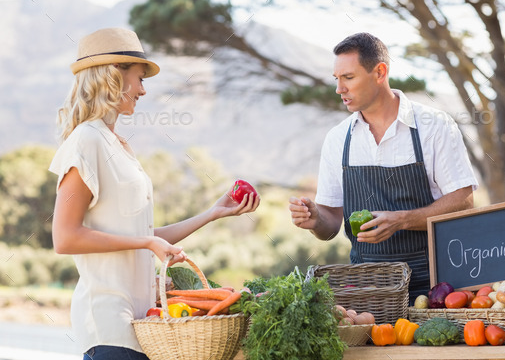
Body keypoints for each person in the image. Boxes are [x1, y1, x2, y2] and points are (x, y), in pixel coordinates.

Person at [49, 27, 260, 360]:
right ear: (113, 76)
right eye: (140, 78)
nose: (144, 91)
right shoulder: (86, 140)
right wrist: (147, 244)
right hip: (108, 324)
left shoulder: (118, 145)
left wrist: (212, 213)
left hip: (140, 325)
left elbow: (142, 235)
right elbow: (65, 237)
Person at [289, 32, 478, 302]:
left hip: (436, 289)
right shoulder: (338, 139)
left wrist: (401, 220)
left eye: (349, 78)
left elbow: (463, 202)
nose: (339, 89)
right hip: (368, 292)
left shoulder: (434, 126)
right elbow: (329, 225)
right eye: (337, 79)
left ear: (379, 72)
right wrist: (315, 219)